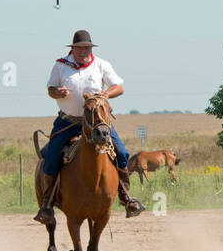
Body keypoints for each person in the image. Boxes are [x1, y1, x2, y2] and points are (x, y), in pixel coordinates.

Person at [35, 30, 145, 223]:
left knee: (121, 152)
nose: (83, 51)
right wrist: (57, 93)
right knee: (51, 156)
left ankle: (126, 197)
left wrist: (104, 95)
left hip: (97, 121)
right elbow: (50, 88)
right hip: (68, 121)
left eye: (86, 48)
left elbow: (118, 87)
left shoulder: (101, 65)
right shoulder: (61, 66)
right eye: (79, 48)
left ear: (90, 48)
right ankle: (47, 205)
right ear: (73, 49)